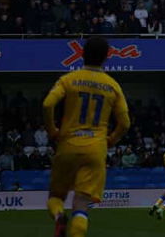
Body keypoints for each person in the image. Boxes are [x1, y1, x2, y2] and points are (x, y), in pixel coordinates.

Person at [43, 35, 130, 237]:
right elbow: (125, 123)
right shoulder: (113, 85)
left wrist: (52, 131)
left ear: (82, 54)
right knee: (81, 205)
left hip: (67, 145)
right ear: (106, 57)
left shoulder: (69, 79)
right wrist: (111, 140)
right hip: (95, 149)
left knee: (56, 196)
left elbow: (47, 104)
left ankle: (58, 216)